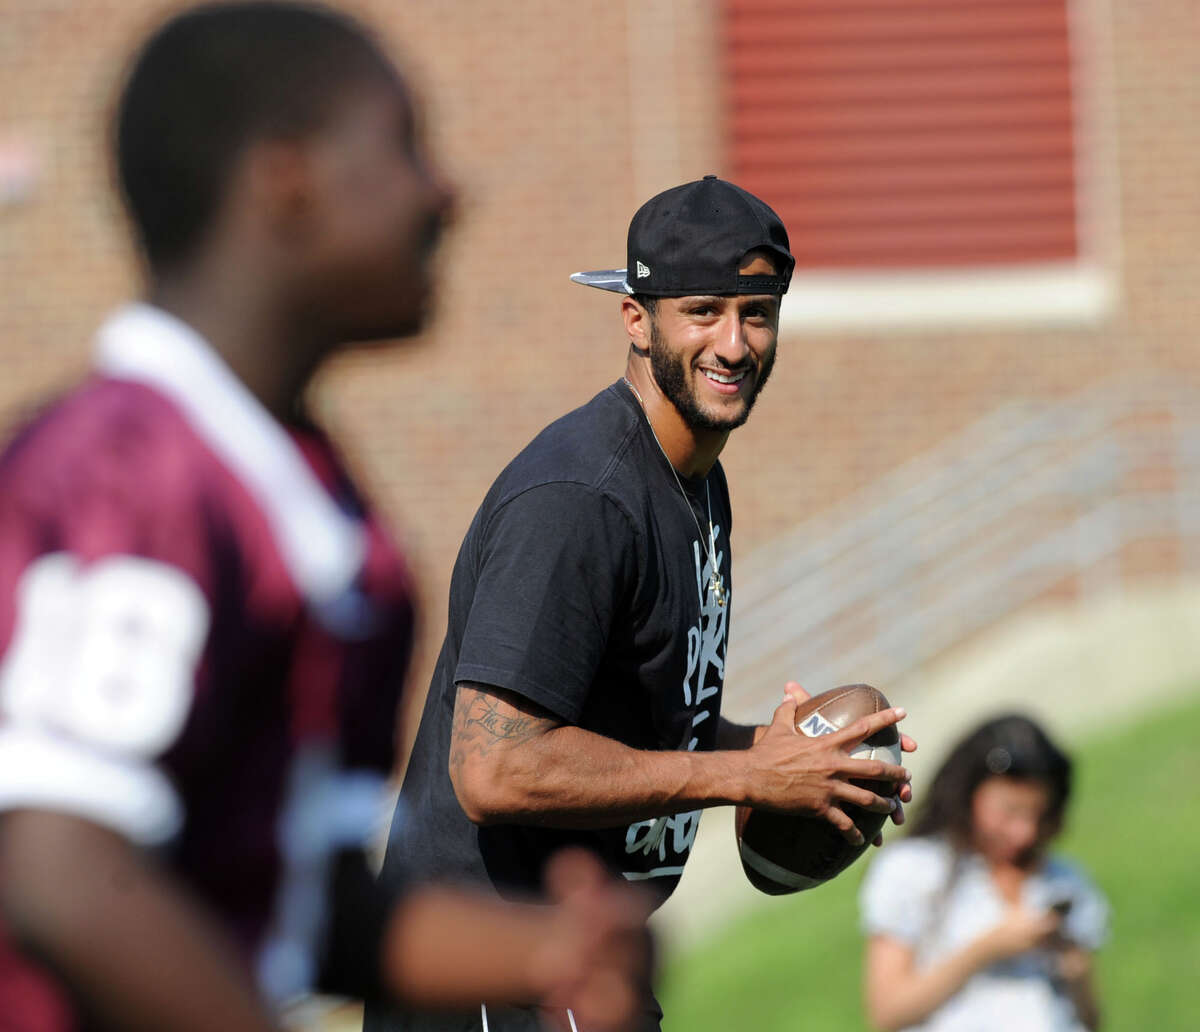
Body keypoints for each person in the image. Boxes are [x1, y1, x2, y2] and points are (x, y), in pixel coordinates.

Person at [0, 4, 650, 1030]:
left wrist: (550, 950)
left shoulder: (331, 518)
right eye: (405, 147)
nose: (447, 192)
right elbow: (59, 866)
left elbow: (309, 909)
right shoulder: (124, 475)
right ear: (287, 179)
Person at [368, 175, 916, 1032]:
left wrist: (793, 761)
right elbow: (495, 767)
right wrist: (743, 775)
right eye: (702, 310)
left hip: (587, 967)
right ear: (636, 318)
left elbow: (640, 732)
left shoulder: (699, 484)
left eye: (757, 312)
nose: (734, 343)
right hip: (490, 979)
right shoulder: (580, 497)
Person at [859, 714, 1108, 1032]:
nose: (1025, 832)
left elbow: (1092, 1019)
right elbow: (888, 1014)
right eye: (1009, 811)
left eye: (1039, 814)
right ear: (969, 795)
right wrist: (984, 951)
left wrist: (1074, 966)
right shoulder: (913, 869)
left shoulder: (1064, 879)